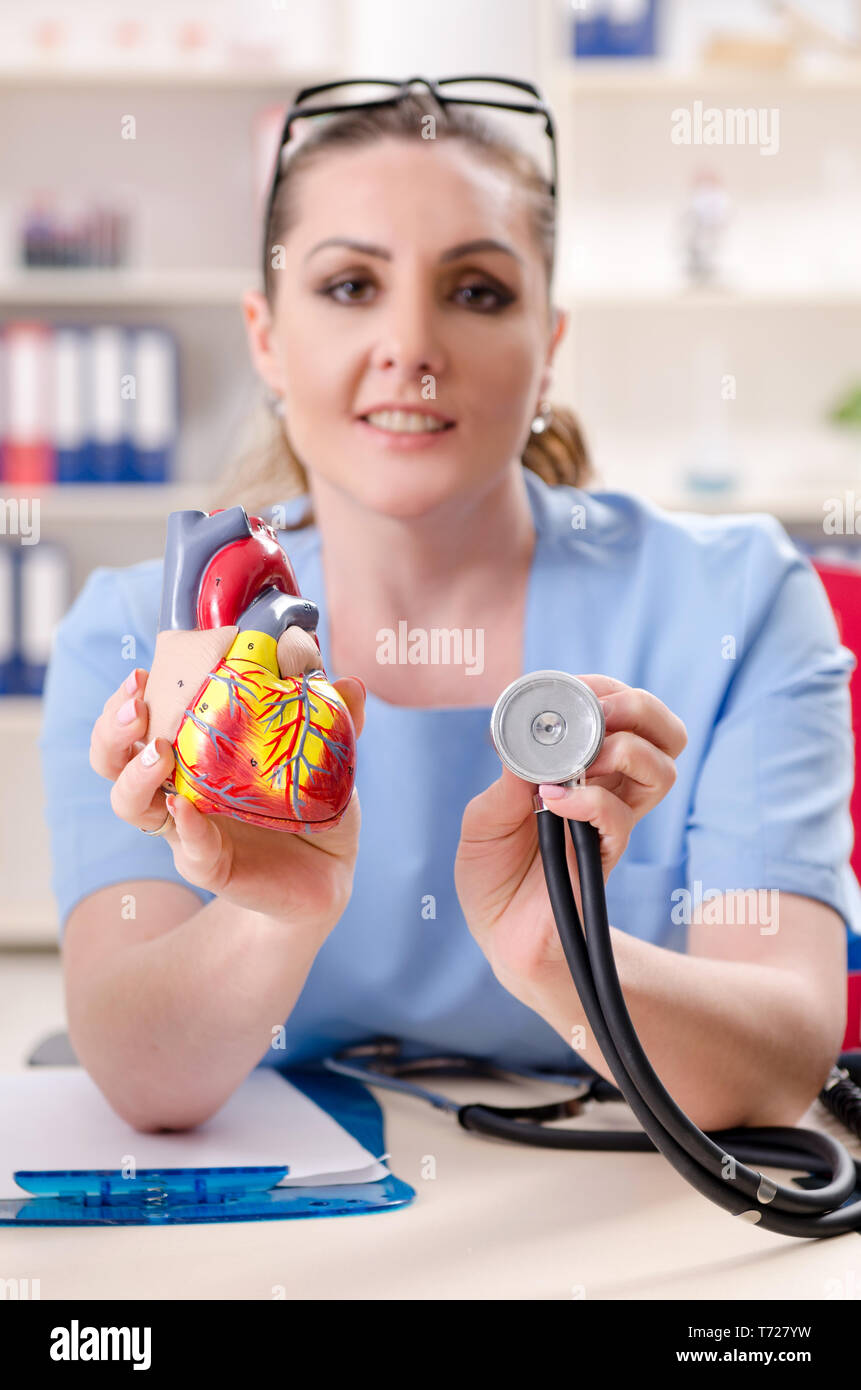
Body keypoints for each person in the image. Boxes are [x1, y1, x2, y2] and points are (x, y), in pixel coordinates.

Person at [39, 88, 861, 1137]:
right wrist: (268, 913)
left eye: (476, 291)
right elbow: (145, 1075)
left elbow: (778, 1067)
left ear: (549, 343)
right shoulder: (131, 634)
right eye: (348, 284)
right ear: (267, 339)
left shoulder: (737, 601)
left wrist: (559, 957)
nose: (412, 345)